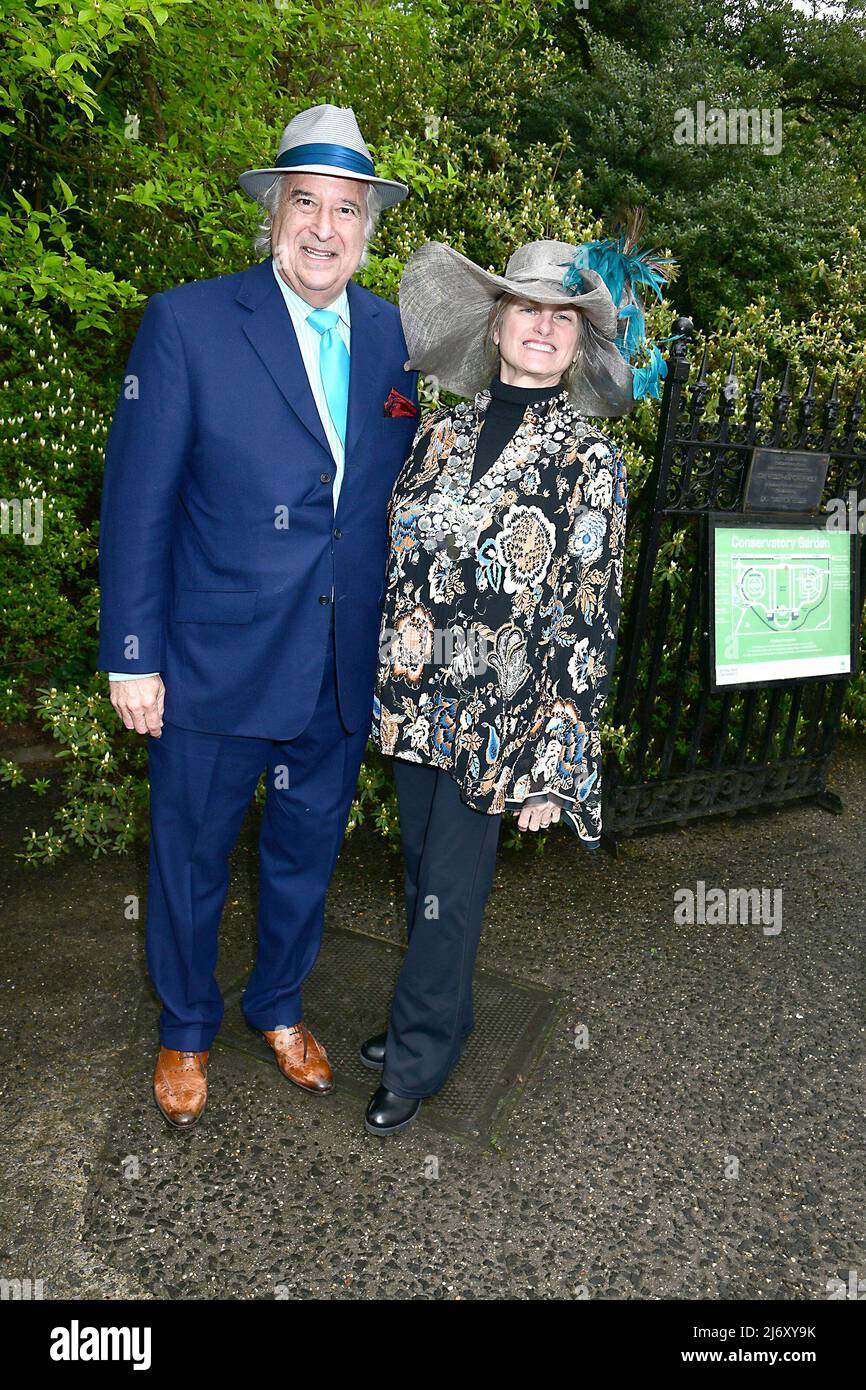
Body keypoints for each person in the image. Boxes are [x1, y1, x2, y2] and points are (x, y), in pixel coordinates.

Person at [98, 104, 420, 1128]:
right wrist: (131, 655)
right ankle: (186, 1026)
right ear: (271, 213)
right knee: (188, 858)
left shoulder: (392, 336)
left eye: (346, 208)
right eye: (304, 203)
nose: (324, 227)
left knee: (304, 856)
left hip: (334, 664)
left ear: (369, 226)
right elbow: (137, 502)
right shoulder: (186, 322)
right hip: (208, 664)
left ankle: (276, 1004)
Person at [362, 234, 672, 1135]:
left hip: (506, 718)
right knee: (423, 873)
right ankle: (446, 1011)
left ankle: (418, 1058)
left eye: (562, 317)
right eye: (528, 308)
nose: (542, 326)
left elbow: (589, 617)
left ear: (579, 343)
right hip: (416, 698)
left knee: (450, 888)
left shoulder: (591, 464)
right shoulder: (439, 428)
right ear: (497, 323)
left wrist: (553, 762)